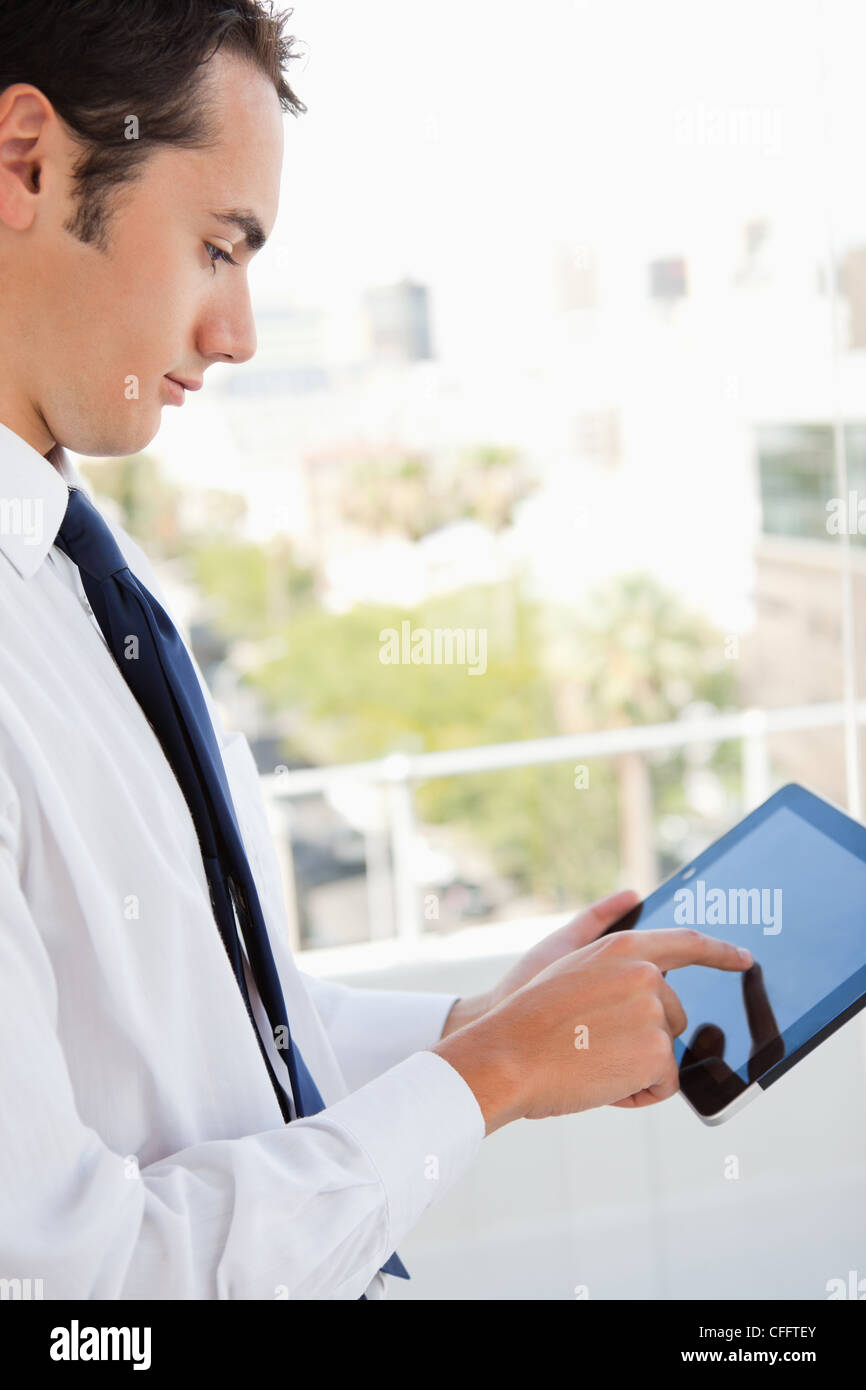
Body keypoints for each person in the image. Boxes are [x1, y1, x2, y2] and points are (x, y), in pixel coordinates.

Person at [0, 0, 753, 1300]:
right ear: (28, 161)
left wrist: (493, 1020)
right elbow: (75, 1285)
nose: (233, 333)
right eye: (216, 248)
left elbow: (246, 1036)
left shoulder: (86, 593)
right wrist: (495, 1074)